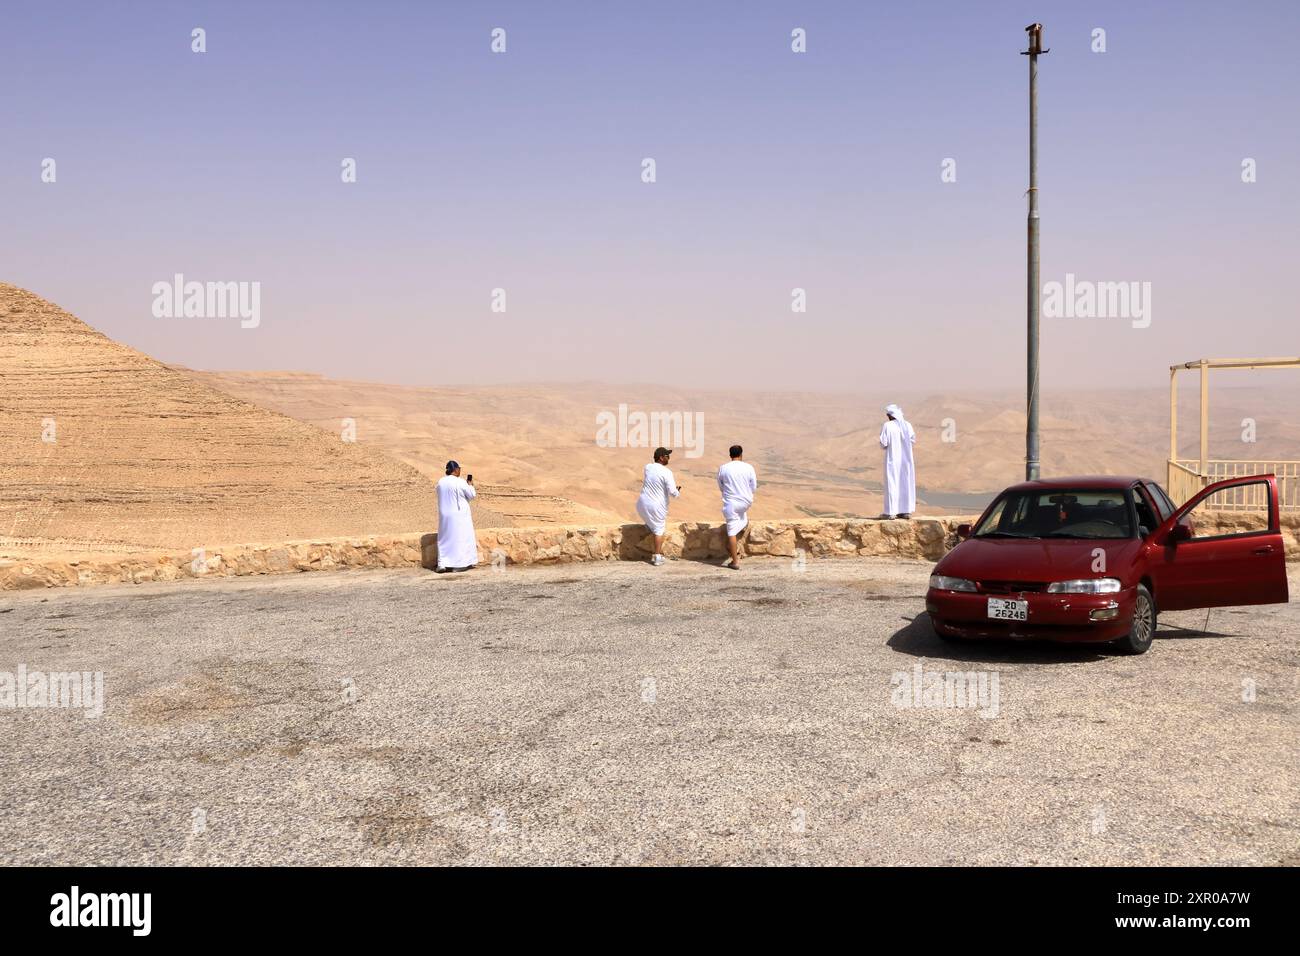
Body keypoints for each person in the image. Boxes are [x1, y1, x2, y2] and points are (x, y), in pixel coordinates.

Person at [635, 447, 680, 566]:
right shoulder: (667, 472)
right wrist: (677, 491)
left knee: (653, 525)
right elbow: (672, 492)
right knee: (659, 529)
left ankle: (650, 527)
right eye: (667, 456)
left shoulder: (648, 467)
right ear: (661, 457)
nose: (669, 458)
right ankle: (657, 556)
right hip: (655, 505)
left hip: (641, 504)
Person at [716, 445, 757, 570]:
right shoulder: (749, 467)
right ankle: (743, 524)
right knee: (742, 517)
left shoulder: (723, 468)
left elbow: (721, 486)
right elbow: (753, 486)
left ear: (730, 455)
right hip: (746, 502)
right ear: (741, 454)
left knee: (731, 531)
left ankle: (735, 562)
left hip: (731, 503)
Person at [435, 460, 478, 572]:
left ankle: (442, 563)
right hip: (459, 515)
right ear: (456, 469)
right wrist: (470, 485)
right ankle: (458, 565)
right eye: (459, 469)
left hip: (445, 514)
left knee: (444, 538)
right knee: (460, 538)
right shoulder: (460, 482)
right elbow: (471, 495)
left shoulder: (440, 482)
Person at [879, 404, 916, 519]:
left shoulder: (887, 426)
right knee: (905, 483)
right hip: (906, 461)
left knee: (892, 484)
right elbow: (913, 440)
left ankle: (890, 513)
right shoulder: (907, 425)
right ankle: (905, 511)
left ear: (890, 415)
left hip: (892, 460)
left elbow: (883, 443)